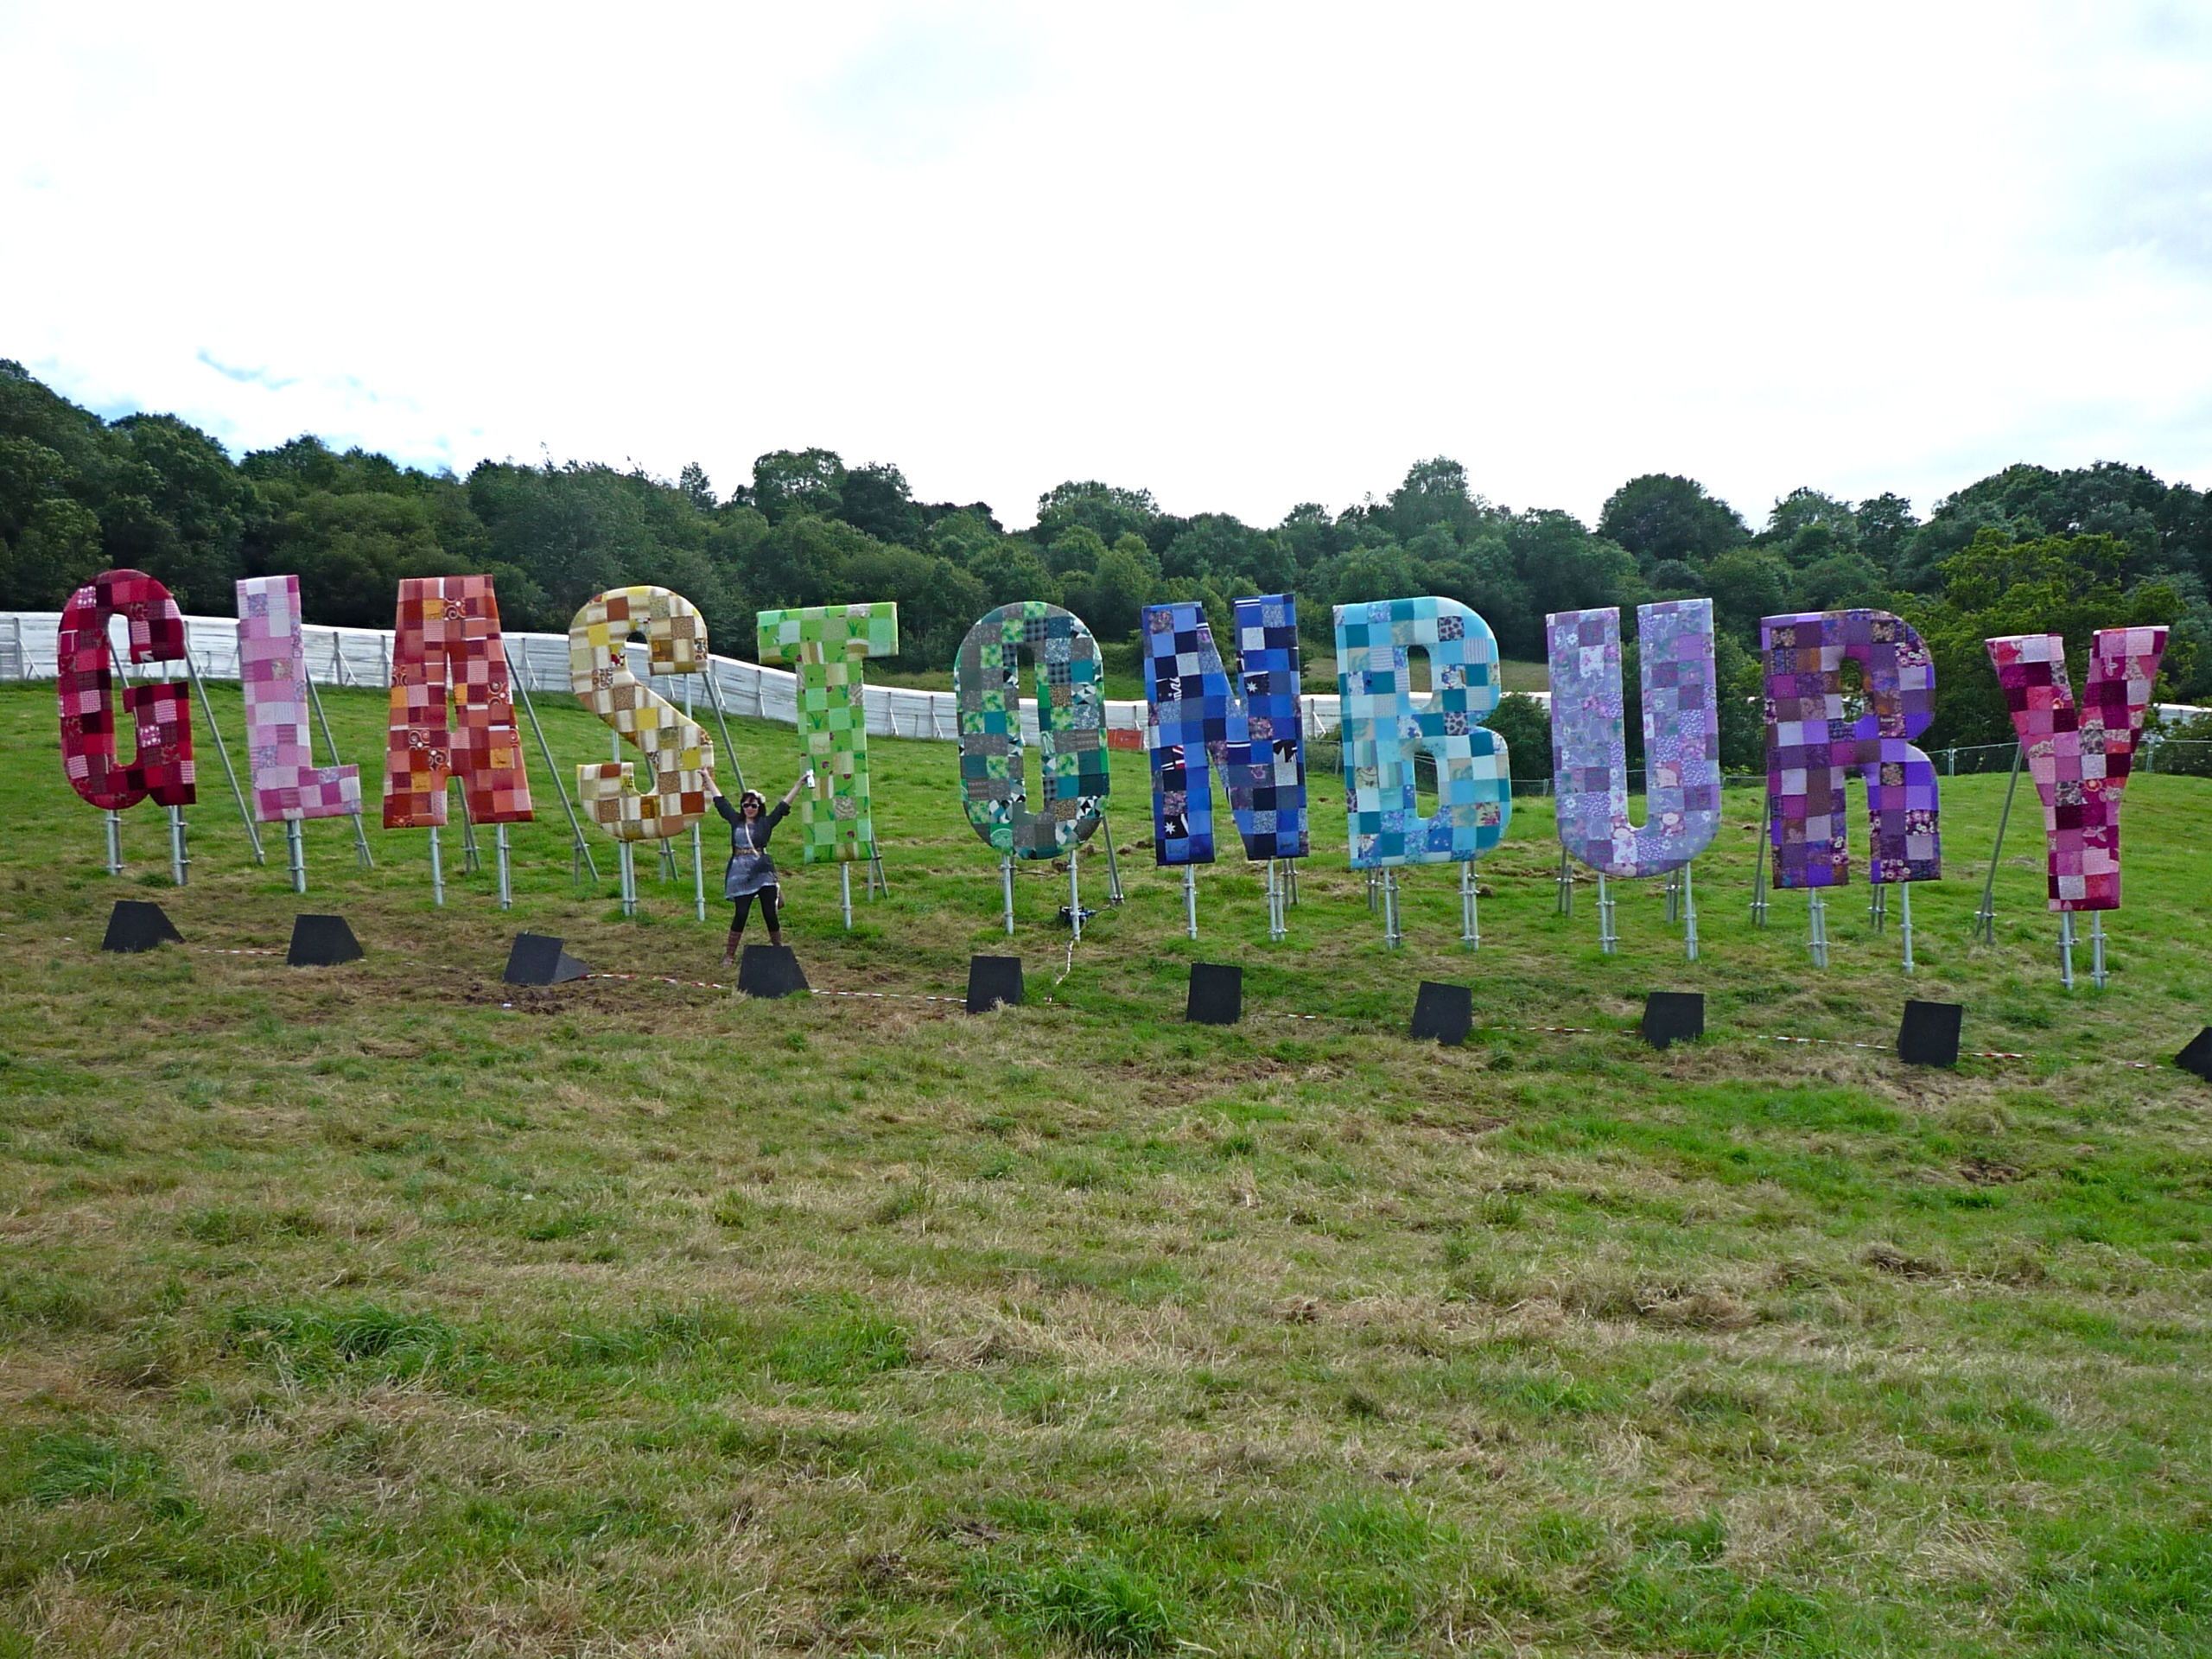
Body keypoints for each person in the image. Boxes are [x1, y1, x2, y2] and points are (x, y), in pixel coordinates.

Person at [713, 772, 808, 967]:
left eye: (753, 805)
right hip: (740, 872)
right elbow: (720, 802)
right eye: (746, 805)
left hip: (762, 871)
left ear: (759, 807)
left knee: (769, 913)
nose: (749, 808)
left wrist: (799, 784)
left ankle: (778, 949)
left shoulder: (765, 823)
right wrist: (707, 779)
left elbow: (783, 807)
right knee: (741, 913)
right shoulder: (735, 821)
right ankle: (729, 955)